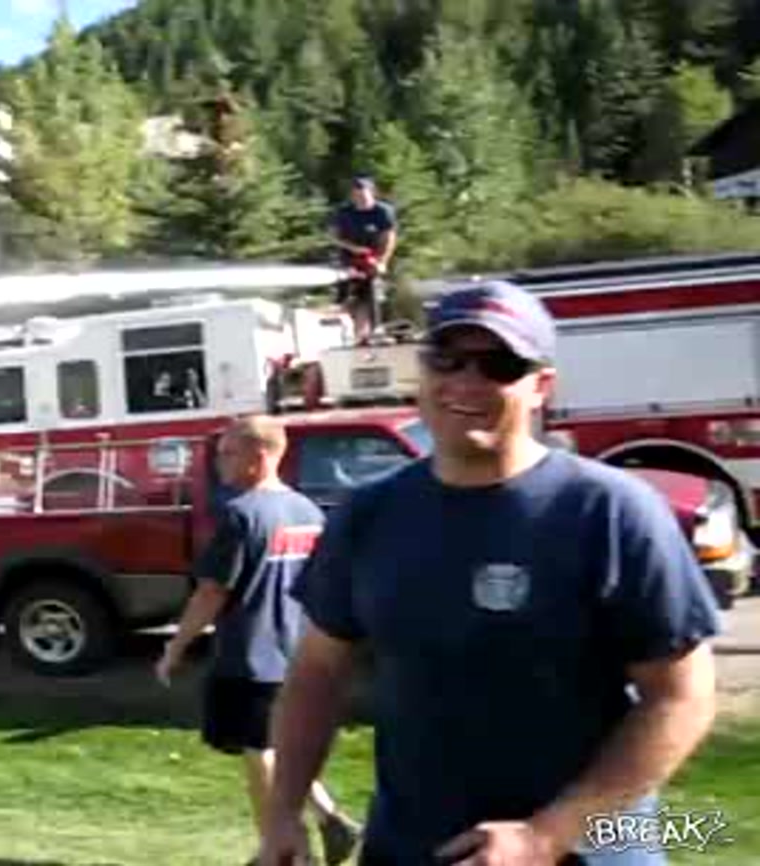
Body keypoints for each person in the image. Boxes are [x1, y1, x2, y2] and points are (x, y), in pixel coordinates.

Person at [257, 280, 721, 865]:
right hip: (410, 848)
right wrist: (282, 812)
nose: (467, 381)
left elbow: (683, 697)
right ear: (421, 370)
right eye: (446, 358)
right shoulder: (369, 513)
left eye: (499, 364)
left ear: (540, 387)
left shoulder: (610, 511)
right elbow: (316, 675)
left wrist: (546, 836)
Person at [156, 415, 362, 866]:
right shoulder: (307, 511)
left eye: (229, 452)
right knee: (282, 747)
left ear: (261, 455)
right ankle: (332, 823)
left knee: (260, 755)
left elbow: (212, 592)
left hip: (252, 656)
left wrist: (175, 647)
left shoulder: (241, 514)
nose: (220, 462)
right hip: (297, 653)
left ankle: (282, 853)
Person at [331, 177, 398, 344]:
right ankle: (353, 330)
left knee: (371, 294)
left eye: (364, 196)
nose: (360, 199)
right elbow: (334, 237)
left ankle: (373, 330)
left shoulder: (383, 211)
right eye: (356, 196)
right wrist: (353, 248)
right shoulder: (344, 212)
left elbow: (389, 237)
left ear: (372, 193)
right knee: (348, 295)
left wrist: (382, 261)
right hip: (350, 259)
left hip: (373, 259)